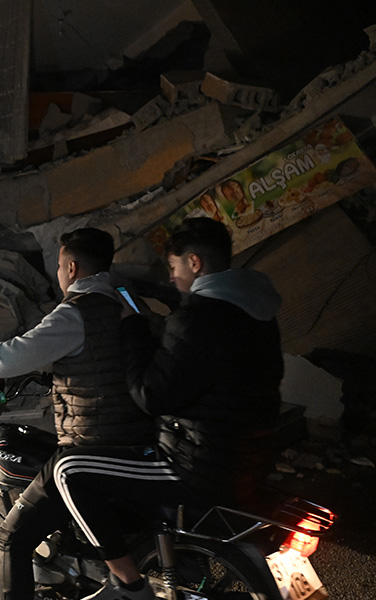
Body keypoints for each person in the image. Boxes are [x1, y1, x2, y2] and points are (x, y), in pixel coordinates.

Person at [53, 217, 284, 600]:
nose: (173, 277)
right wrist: (147, 292)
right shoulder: (255, 312)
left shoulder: (196, 320)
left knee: (69, 470)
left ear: (194, 263)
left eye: (174, 268)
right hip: (249, 457)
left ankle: (129, 584)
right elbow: (204, 347)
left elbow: (150, 396)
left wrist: (132, 327)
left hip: (195, 466)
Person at [0, 227, 154, 600]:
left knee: (12, 538)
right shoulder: (127, 305)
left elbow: (12, 355)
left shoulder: (76, 313)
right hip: (136, 435)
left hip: (92, 443)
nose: (58, 273)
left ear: (70, 266)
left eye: (58, 265)